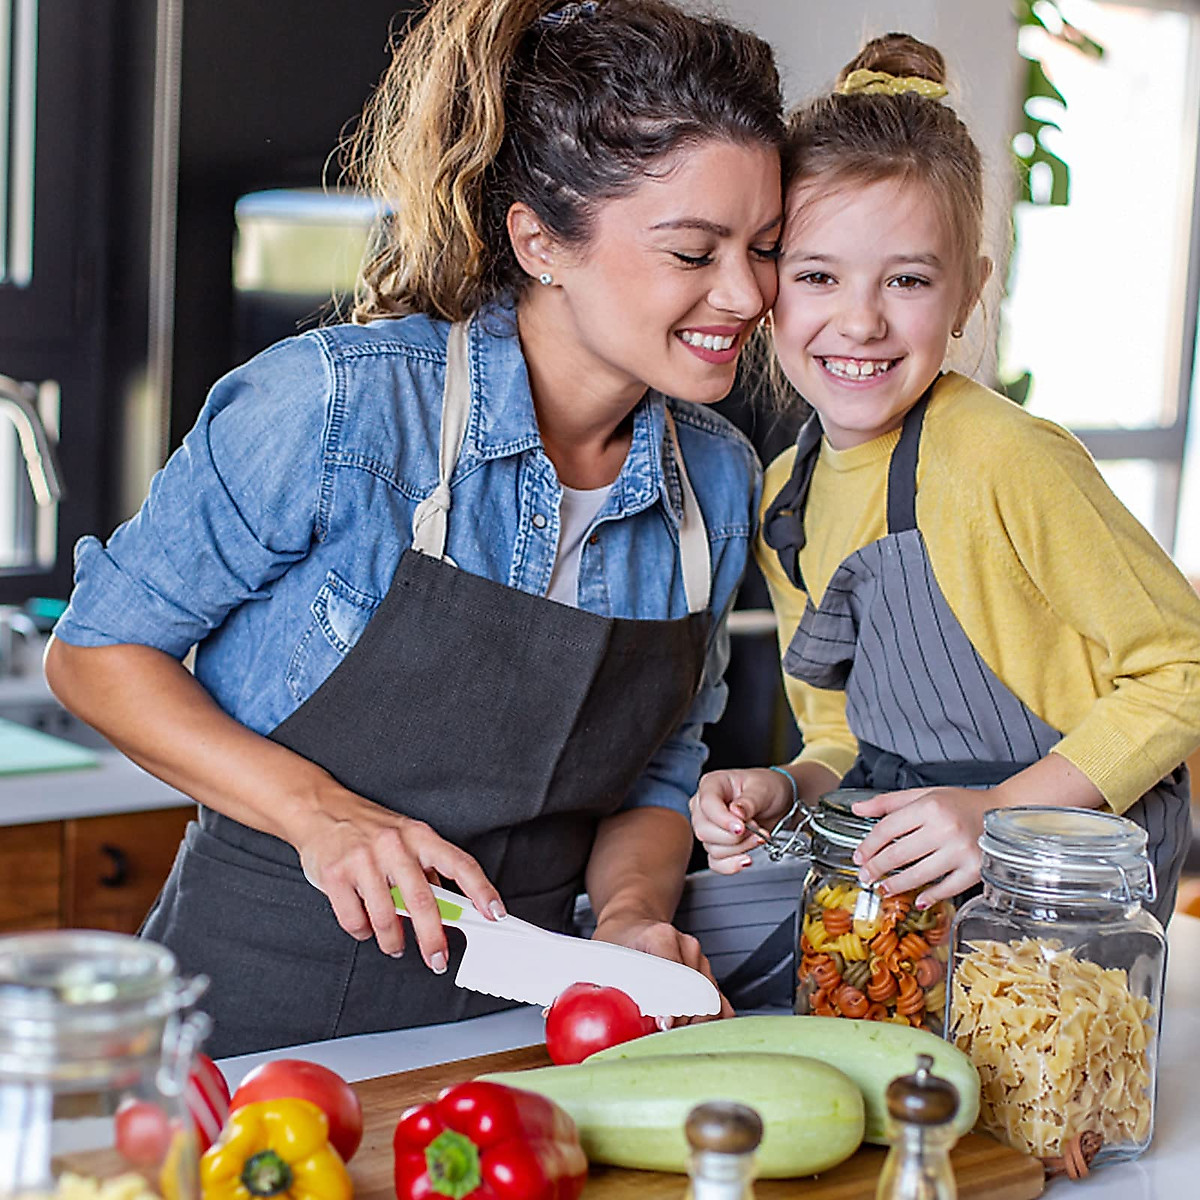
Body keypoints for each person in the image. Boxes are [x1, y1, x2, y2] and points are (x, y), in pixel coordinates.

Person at [45, 0, 787, 1055]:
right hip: (255, 1017)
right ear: (539, 240)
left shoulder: (713, 478)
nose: (746, 293)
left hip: (529, 1036)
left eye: (763, 247)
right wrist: (316, 811)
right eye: (693, 251)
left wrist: (629, 917)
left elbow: (661, 767)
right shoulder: (339, 409)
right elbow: (96, 653)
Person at [690, 32, 1200, 926]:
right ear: (769, 289)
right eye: (817, 275)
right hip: (910, 856)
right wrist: (786, 784)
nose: (861, 322)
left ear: (969, 293)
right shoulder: (787, 497)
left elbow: (1183, 666)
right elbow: (846, 736)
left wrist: (997, 816)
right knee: (681, 949)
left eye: (909, 280)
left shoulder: (1002, 457)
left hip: (1062, 877)